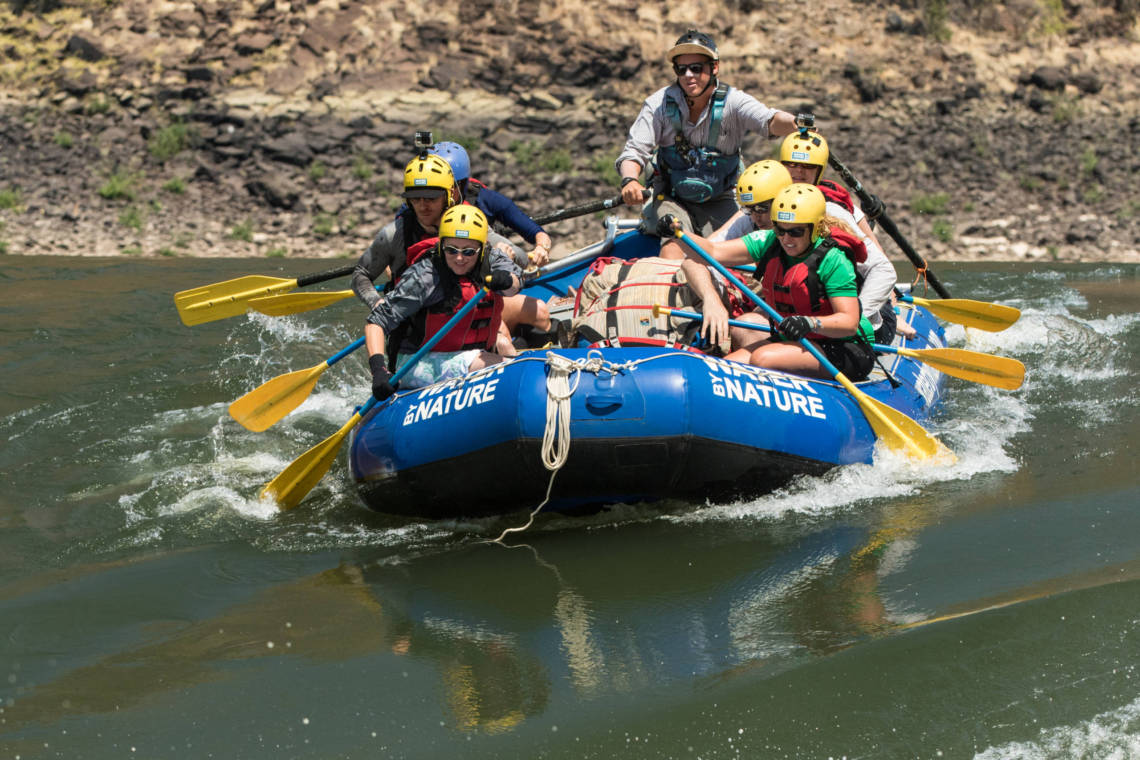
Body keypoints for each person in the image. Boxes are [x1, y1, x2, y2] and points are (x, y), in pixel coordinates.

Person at [615, 29, 797, 260]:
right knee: (676, 240)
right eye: (681, 69)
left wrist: (795, 123)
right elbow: (634, 151)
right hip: (671, 197)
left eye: (697, 68)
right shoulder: (657, 104)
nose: (689, 75)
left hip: (721, 197)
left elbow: (769, 121)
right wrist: (630, 180)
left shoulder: (734, 102)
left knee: (729, 251)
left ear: (715, 68)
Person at [678, 183, 877, 381]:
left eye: (796, 232)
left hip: (846, 347)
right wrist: (676, 232)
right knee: (723, 368)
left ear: (815, 228)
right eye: (780, 230)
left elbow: (849, 322)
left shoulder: (834, 259)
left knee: (763, 359)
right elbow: (712, 252)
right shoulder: (769, 241)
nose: (786, 239)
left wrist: (810, 323)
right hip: (799, 339)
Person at [365, 205, 522, 398]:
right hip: (416, 363)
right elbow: (376, 321)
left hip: (469, 353)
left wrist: (506, 280)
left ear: (482, 249)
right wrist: (378, 370)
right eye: (451, 249)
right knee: (493, 363)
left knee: (504, 344)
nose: (459, 258)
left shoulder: (493, 259)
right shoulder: (425, 276)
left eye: (468, 252)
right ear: (441, 246)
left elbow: (515, 283)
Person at [776, 129, 912, 342]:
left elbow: (879, 262)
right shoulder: (767, 204)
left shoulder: (833, 210)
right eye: (791, 165)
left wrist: (855, 318)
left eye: (807, 166)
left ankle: (890, 310)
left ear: (819, 171)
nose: (798, 173)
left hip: (844, 306)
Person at [427, 141, 554, 268]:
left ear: (461, 184)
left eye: (448, 186)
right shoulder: (417, 209)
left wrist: (541, 249)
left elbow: (537, 232)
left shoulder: (485, 198)